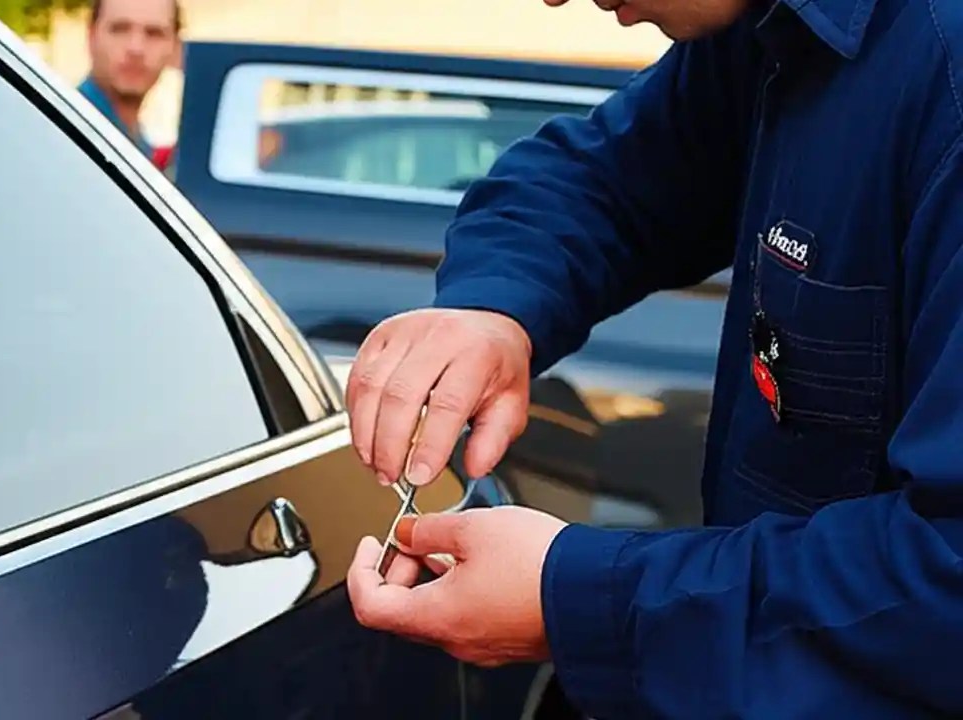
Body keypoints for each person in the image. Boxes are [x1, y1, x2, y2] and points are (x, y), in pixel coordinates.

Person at [344, 0, 963, 717]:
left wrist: (578, 599)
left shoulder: (941, 76)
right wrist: (494, 309)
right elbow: (602, 181)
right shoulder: (771, 34)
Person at [78, 0, 181, 158]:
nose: (136, 48)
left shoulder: (144, 154)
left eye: (154, 33)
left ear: (175, 47)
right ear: (91, 37)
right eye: (120, 29)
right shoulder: (62, 131)